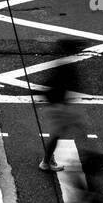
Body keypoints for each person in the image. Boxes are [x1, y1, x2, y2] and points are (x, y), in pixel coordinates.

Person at [39, 39, 85, 172]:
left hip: (58, 104)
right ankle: (46, 162)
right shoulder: (67, 65)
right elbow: (63, 84)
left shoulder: (63, 63)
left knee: (57, 134)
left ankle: (48, 159)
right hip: (59, 105)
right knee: (56, 135)